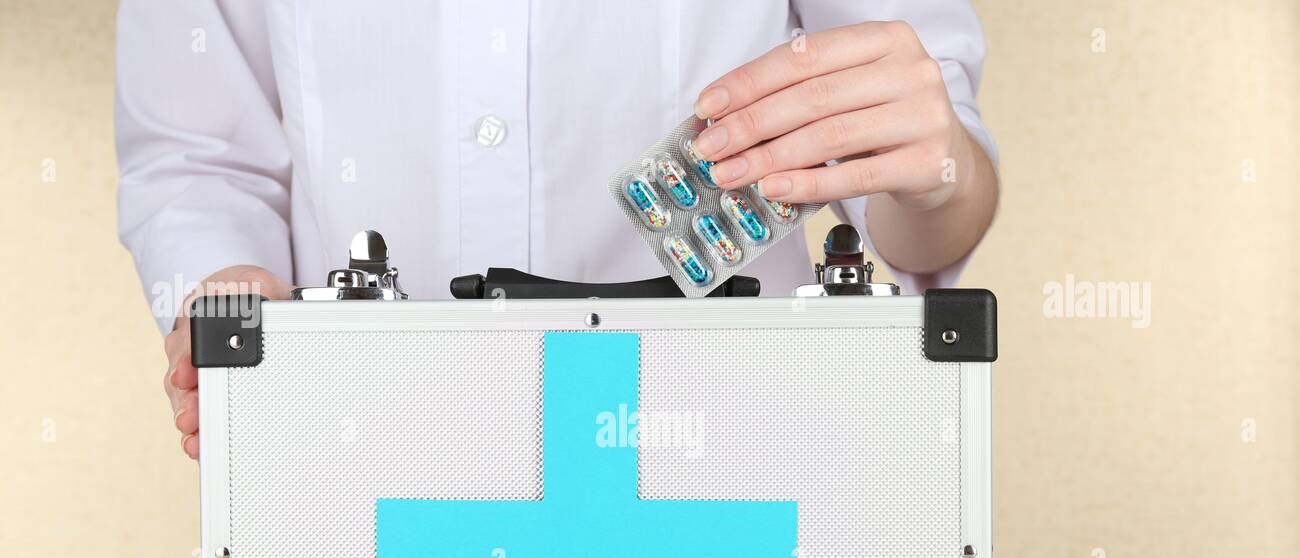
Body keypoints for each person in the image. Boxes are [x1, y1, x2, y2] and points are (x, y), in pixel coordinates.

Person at [116, 1, 998, 459]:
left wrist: (933, 174)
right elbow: (198, 156)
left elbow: (925, 203)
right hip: (366, 474)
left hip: (716, 473)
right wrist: (227, 287)